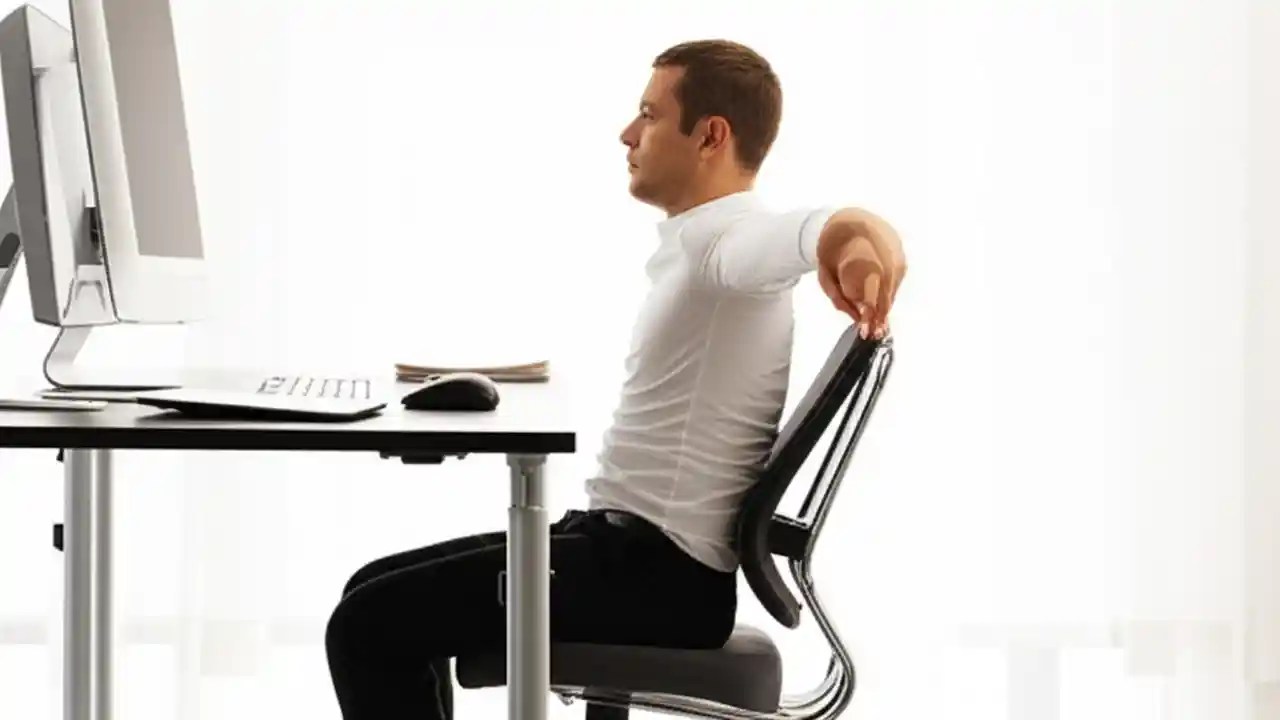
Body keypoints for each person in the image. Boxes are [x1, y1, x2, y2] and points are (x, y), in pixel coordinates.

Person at [324, 38, 907, 720]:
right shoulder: (701, 245)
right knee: (370, 592)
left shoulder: (733, 245)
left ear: (710, 136)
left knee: (367, 627)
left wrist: (861, 237)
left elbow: (814, 231)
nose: (627, 133)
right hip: (620, 550)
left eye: (650, 115)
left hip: (657, 579)